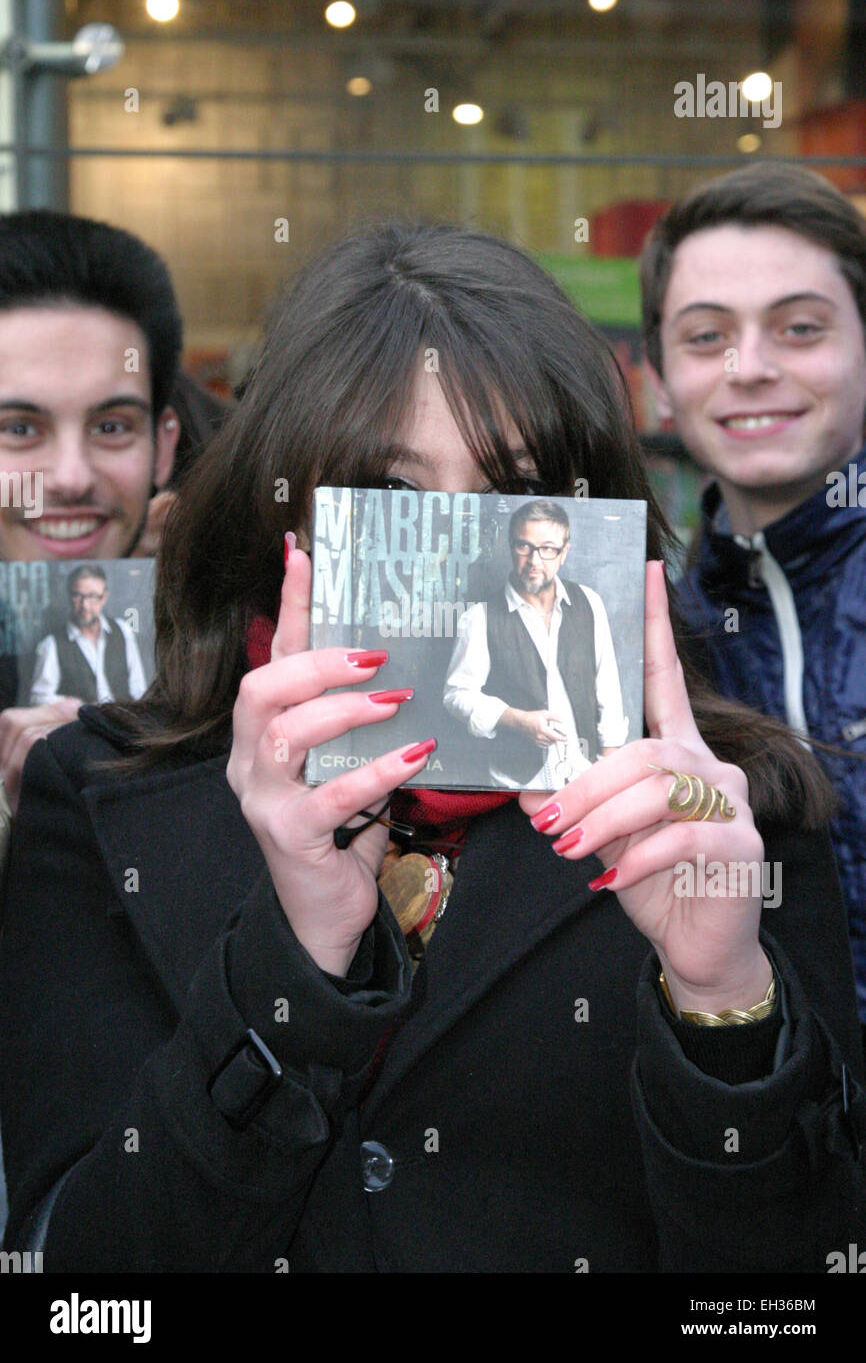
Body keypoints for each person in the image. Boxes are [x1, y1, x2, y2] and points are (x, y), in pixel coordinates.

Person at [1, 221, 864, 1274]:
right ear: (285, 514)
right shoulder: (94, 795)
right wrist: (294, 963)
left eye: (511, 495)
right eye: (393, 498)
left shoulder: (725, 811)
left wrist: (722, 999)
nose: (460, 560)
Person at [639, 161, 866, 1047]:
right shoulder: (661, 644)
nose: (752, 368)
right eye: (705, 338)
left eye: (800, 328)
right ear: (658, 377)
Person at [0, 209, 182, 806]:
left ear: (164, 445)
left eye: (111, 426)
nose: (72, 478)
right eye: (20, 430)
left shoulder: (240, 654)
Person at [443, 498, 628, 787]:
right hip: (516, 782)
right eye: (523, 546)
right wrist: (515, 719)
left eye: (548, 549)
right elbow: (456, 694)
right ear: (511, 547)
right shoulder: (479, 617)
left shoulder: (589, 602)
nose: (534, 561)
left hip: (585, 772)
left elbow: (607, 684)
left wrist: (609, 761)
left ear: (564, 553)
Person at [28, 564, 146, 707]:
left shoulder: (123, 630)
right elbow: (38, 698)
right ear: (69, 596)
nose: (85, 605)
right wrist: (76, 706)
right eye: (78, 596)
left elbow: (138, 687)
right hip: (81, 723)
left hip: (122, 721)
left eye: (92, 597)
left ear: (104, 598)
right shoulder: (52, 644)